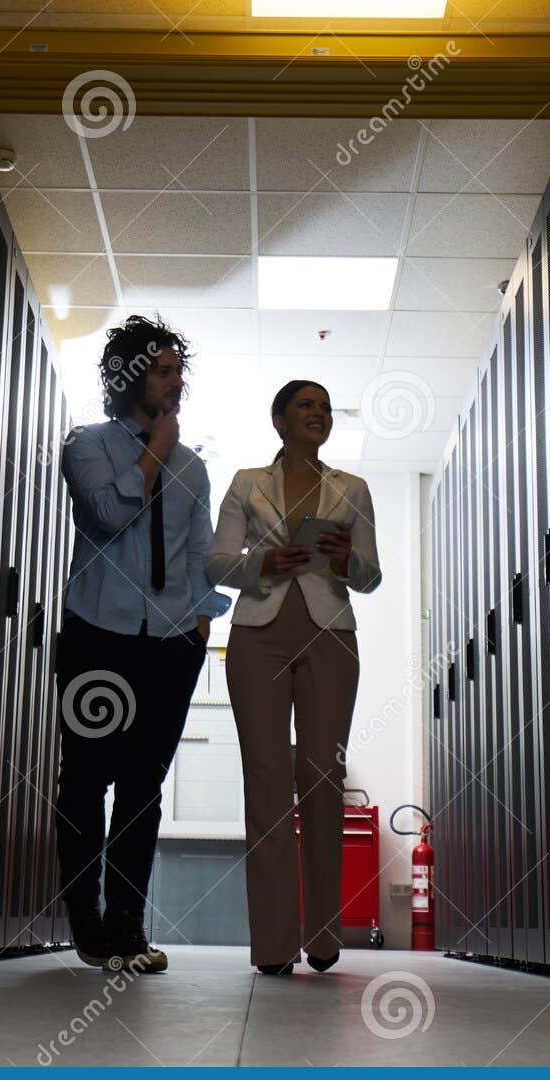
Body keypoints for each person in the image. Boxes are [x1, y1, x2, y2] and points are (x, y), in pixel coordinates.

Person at [56, 315, 227, 973]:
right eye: (161, 370)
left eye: (178, 371)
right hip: (98, 635)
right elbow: (108, 514)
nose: (175, 381)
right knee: (85, 780)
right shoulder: (88, 444)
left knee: (141, 786)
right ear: (128, 376)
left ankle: (127, 924)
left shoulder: (193, 468)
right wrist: (154, 449)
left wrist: (201, 624)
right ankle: (87, 917)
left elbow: (199, 554)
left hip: (170, 645)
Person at [206, 380, 382, 975]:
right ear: (279, 420)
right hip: (258, 634)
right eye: (306, 405)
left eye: (326, 407)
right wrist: (262, 562)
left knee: (322, 777)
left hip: (331, 636)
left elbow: (371, 575)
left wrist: (344, 559)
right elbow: (216, 563)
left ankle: (324, 935)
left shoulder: (352, 488)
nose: (319, 414)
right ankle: (274, 946)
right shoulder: (246, 482)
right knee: (266, 780)